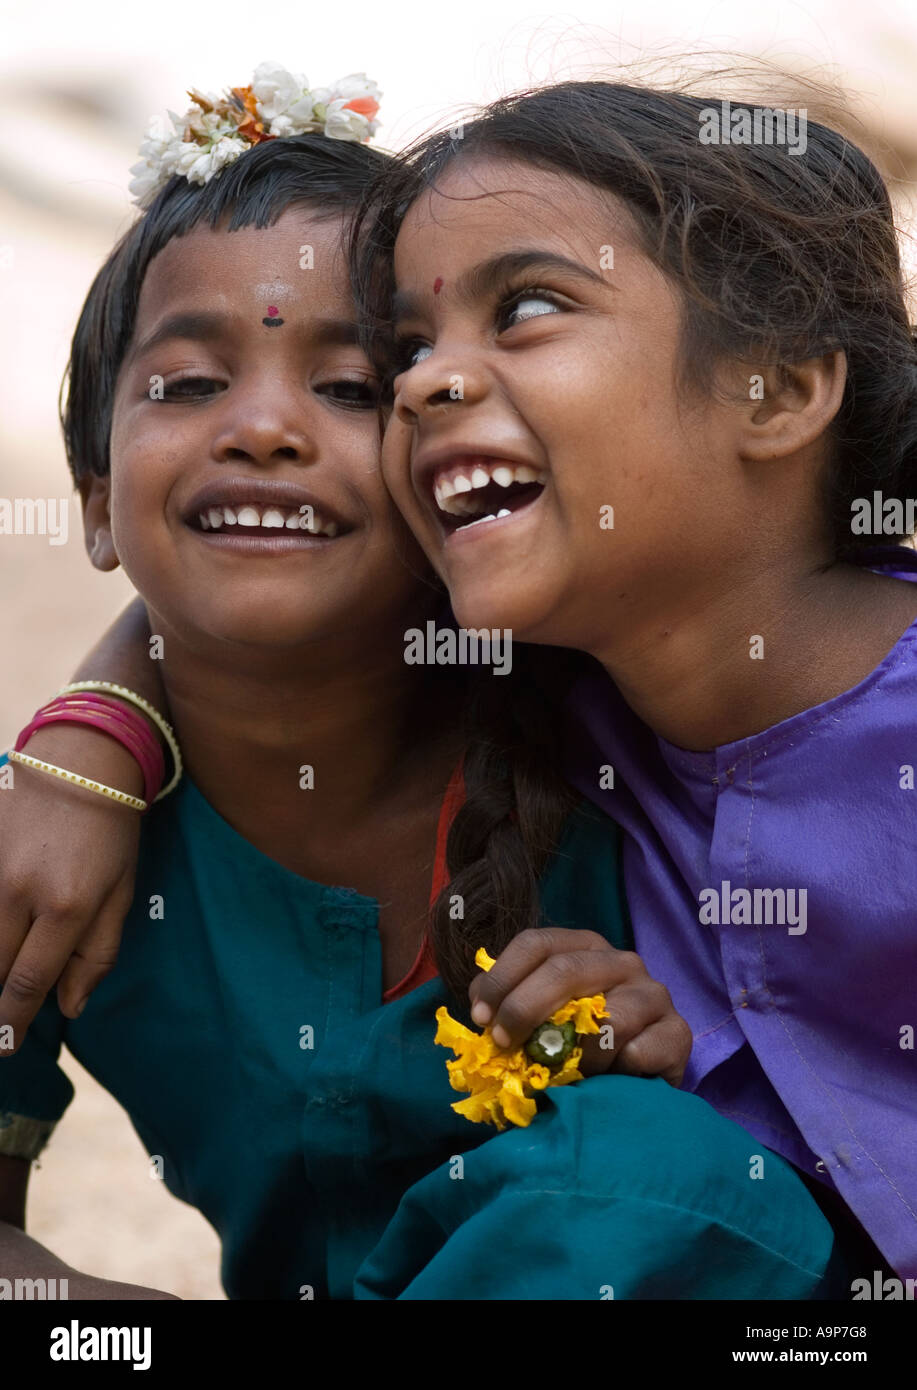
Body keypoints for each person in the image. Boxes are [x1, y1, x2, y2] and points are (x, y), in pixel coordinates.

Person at [0, 65, 844, 1301]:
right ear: (92, 502)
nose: (264, 430)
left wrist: (629, 1054)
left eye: (351, 388)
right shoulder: (36, 842)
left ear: (450, 479)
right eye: (186, 385)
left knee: (639, 1161)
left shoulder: (614, 735)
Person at [360, 77, 917, 1279]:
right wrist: (96, 738)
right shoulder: (564, 720)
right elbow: (239, 590)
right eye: (407, 348)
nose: (419, 385)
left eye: (525, 308)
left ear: (774, 389)